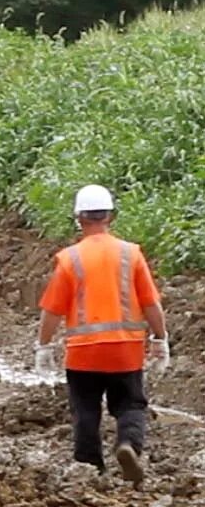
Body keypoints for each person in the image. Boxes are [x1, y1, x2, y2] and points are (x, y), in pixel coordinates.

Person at [35, 184, 169, 483]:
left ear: (79, 218)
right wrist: (160, 339)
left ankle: (89, 465)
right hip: (126, 350)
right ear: (111, 216)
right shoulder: (131, 254)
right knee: (131, 405)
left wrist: (43, 346)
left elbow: (52, 311)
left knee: (85, 409)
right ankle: (128, 444)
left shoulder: (70, 259)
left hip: (83, 353)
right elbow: (151, 303)